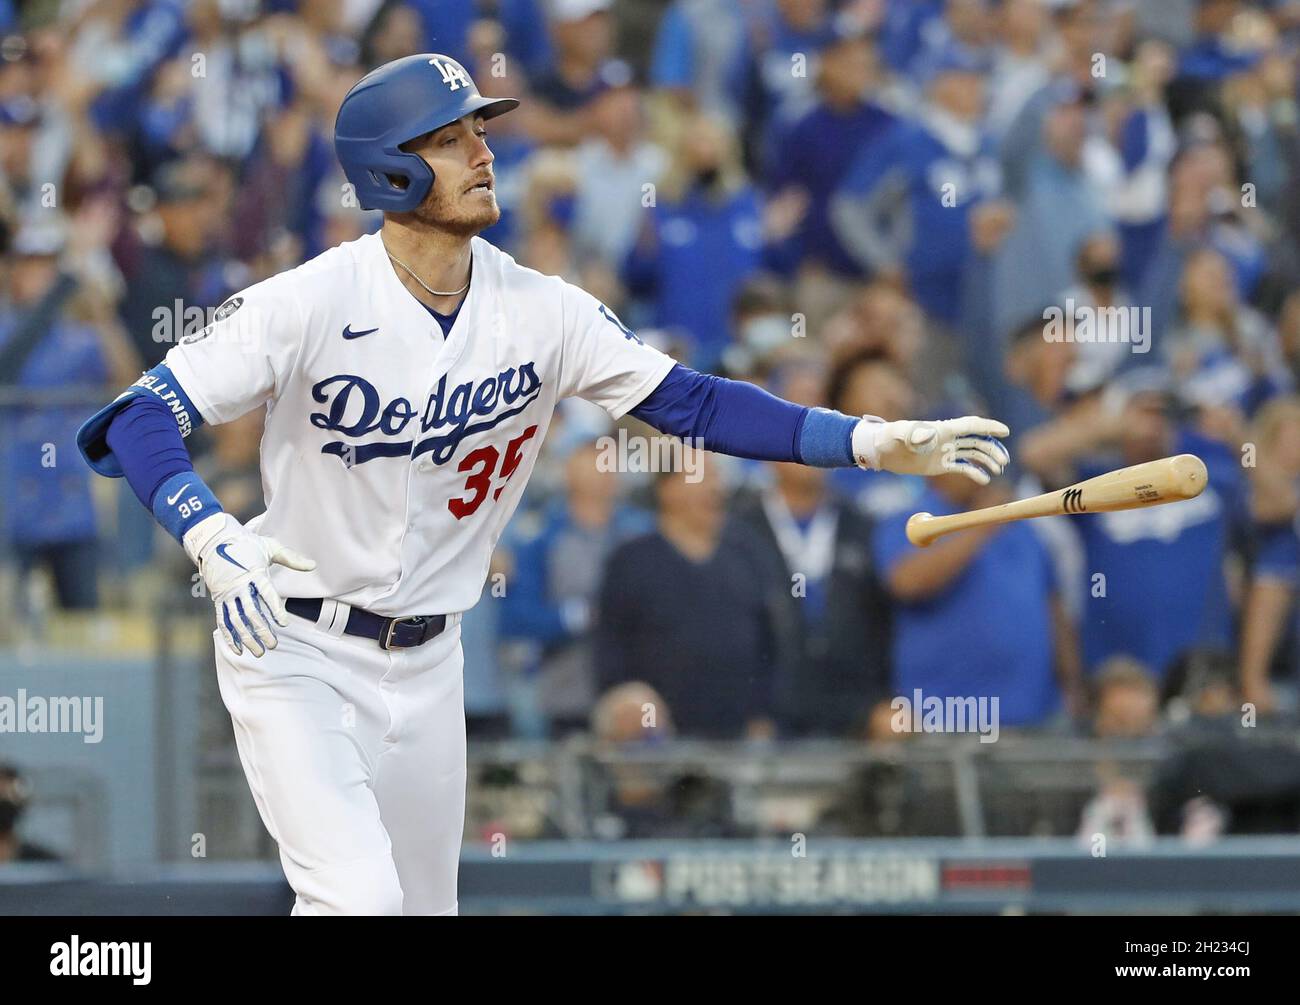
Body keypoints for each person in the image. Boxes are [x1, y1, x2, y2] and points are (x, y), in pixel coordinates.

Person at [75, 54, 1010, 916]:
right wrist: (206, 530)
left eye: (480, 130)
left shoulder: (542, 310)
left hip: (432, 659)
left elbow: (691, 404)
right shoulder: (310, 300)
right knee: (359, 902)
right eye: (451, 138)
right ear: (389, 170)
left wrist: (871, 440)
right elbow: (136, 417)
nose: (484, 152)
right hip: (295, 646)